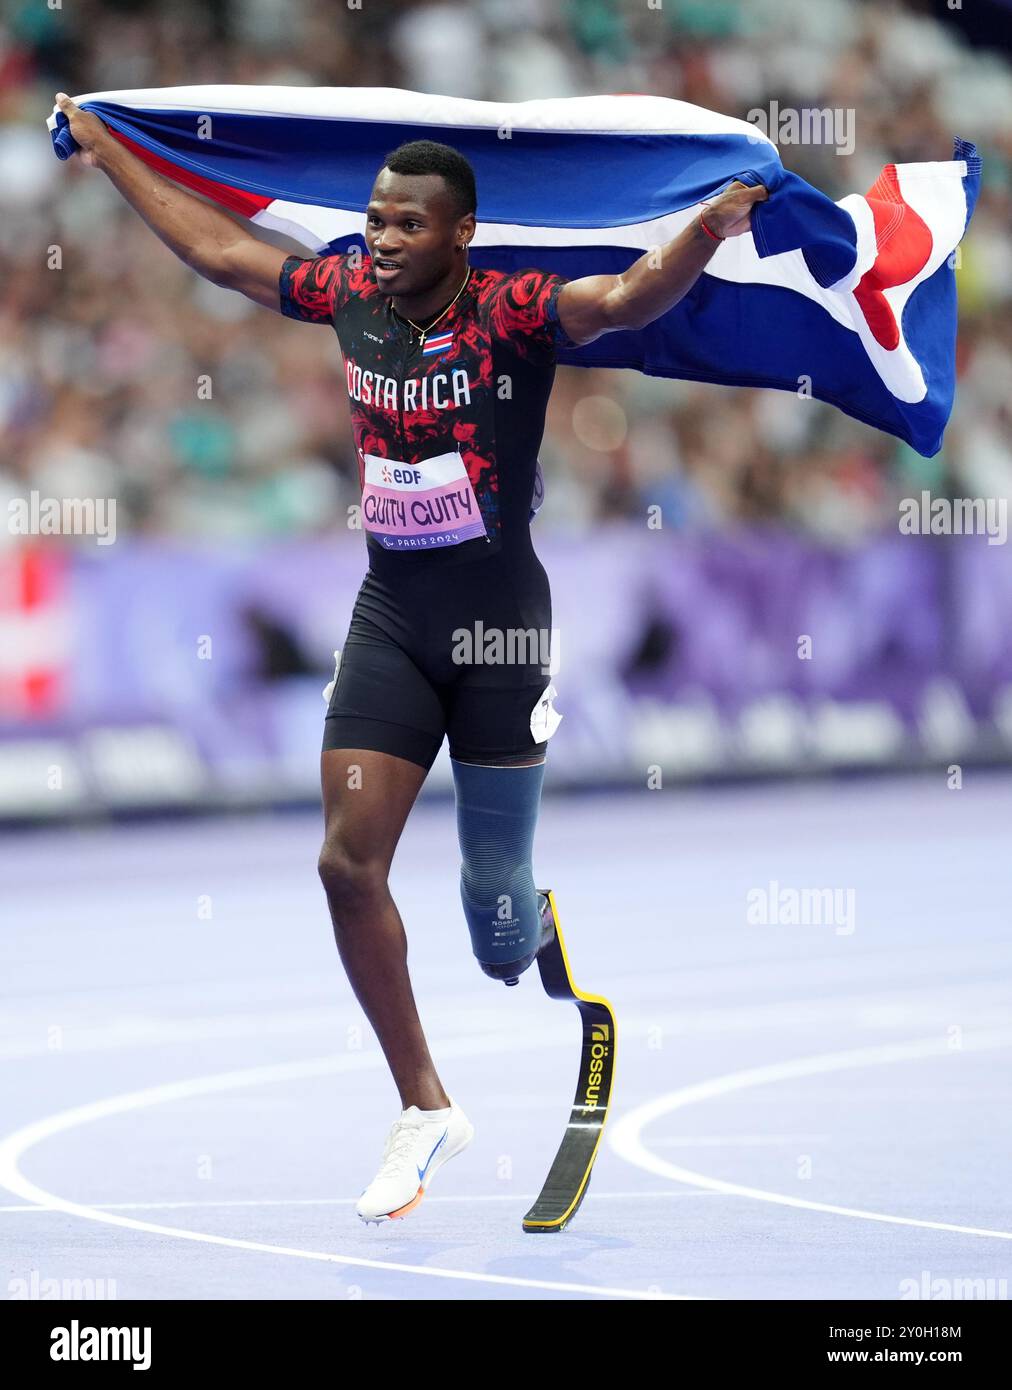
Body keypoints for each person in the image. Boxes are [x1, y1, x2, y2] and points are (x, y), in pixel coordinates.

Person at [54, 92, 767, 1224]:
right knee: (346, 862)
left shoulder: (516, 311)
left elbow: (628, 297)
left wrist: (705, 231)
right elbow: (224, 254)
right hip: (391, 614)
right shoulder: (344, 291)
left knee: (490, 924)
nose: (379, 240)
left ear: (459, 235)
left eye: (404, 226)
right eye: (374, 220)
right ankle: (425, 1105)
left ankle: (526, 924)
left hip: (500, 631)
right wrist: (103, 153)